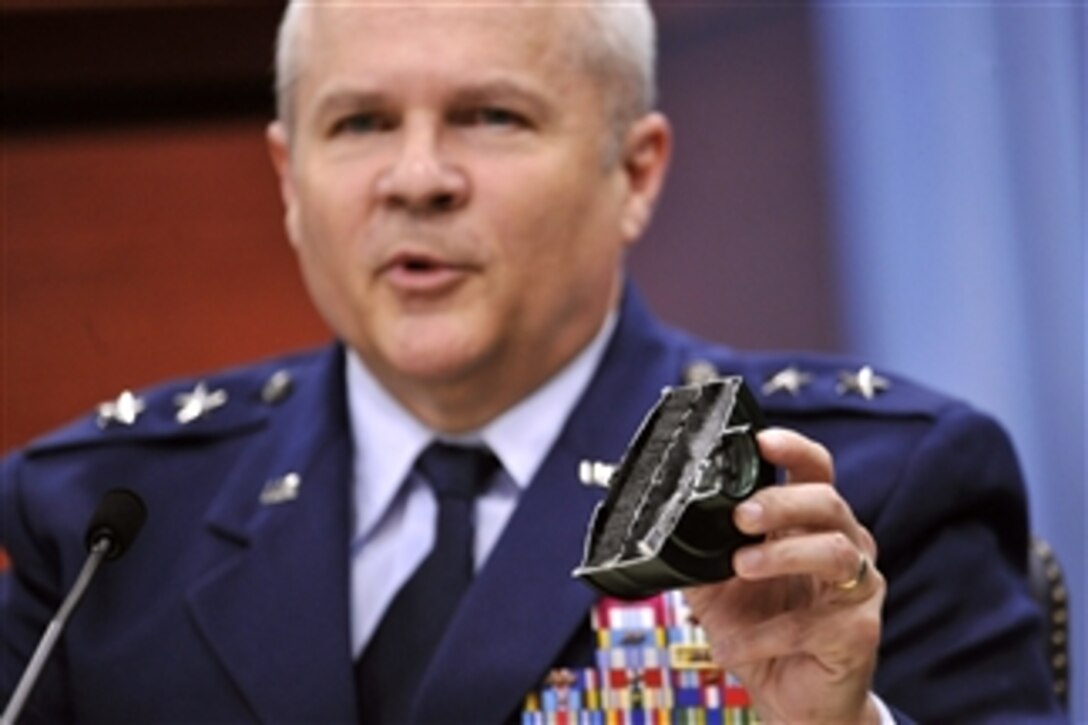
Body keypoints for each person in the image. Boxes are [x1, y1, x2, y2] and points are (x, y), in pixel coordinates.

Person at [0, 2, 1064, 723]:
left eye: (489, 117)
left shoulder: (840, 495)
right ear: (289, 175)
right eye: (360, 122)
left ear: (633, 171)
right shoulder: (110, 515)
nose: (416, 178)